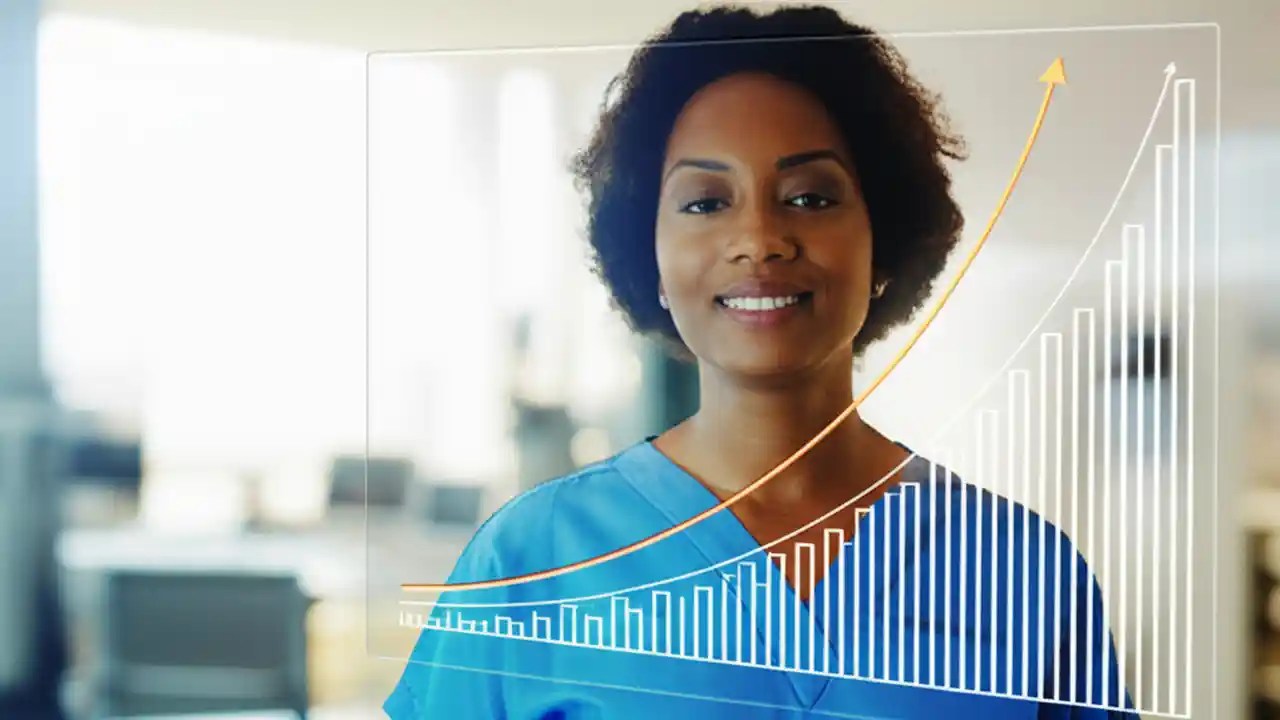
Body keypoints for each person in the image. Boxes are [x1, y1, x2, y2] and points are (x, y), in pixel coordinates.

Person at [385, 4, 1137, 718]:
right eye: (706, 203)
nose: (760, 239)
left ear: (884, 242)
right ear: (648, 254)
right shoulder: (532, 558)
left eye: (810, 198)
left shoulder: (1021, 572)